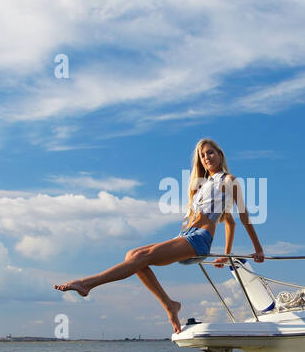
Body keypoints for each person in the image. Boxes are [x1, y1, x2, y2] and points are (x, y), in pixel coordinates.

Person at [54, 138, 265, 333]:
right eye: (202, 156)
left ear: (220, 154)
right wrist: (225, 254)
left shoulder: (228, 180)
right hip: (184, 235)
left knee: (139, 258)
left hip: (199, 239)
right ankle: (169, 305)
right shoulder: (203, 185)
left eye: (210, 153)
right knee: (132, 255)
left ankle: (87, 283)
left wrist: (254, 249)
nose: (207, 158)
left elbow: (239, 218)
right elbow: (228, 221)